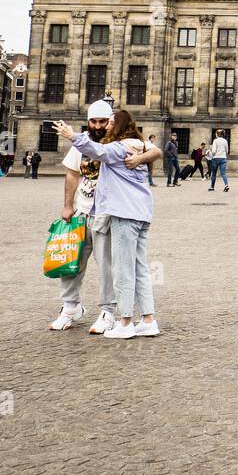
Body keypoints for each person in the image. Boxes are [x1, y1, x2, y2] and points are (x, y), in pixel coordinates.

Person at [56, 109, 162, 339]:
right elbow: (155, 151)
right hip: (142, 213)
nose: (106, 126)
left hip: (123, 214)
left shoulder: (119, 147)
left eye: (110, 122)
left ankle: (124, 322)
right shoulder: (139, 145)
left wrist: (72, 135)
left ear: (120, 126)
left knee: (121, 269)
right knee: (140, 268)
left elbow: (98, 150)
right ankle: (148, 320)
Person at [47, 100, 136, 334]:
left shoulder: (119, 144)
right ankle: (70, 307)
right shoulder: (81, 143)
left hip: (107, 213)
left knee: (107, 266)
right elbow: (72, 174)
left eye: (102, 121)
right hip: (83, 211)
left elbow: (149, 150)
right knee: (70, 261)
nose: (97, 126)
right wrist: (68, 206)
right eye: (93, 121)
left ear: (111, 122)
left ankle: (108, 311)